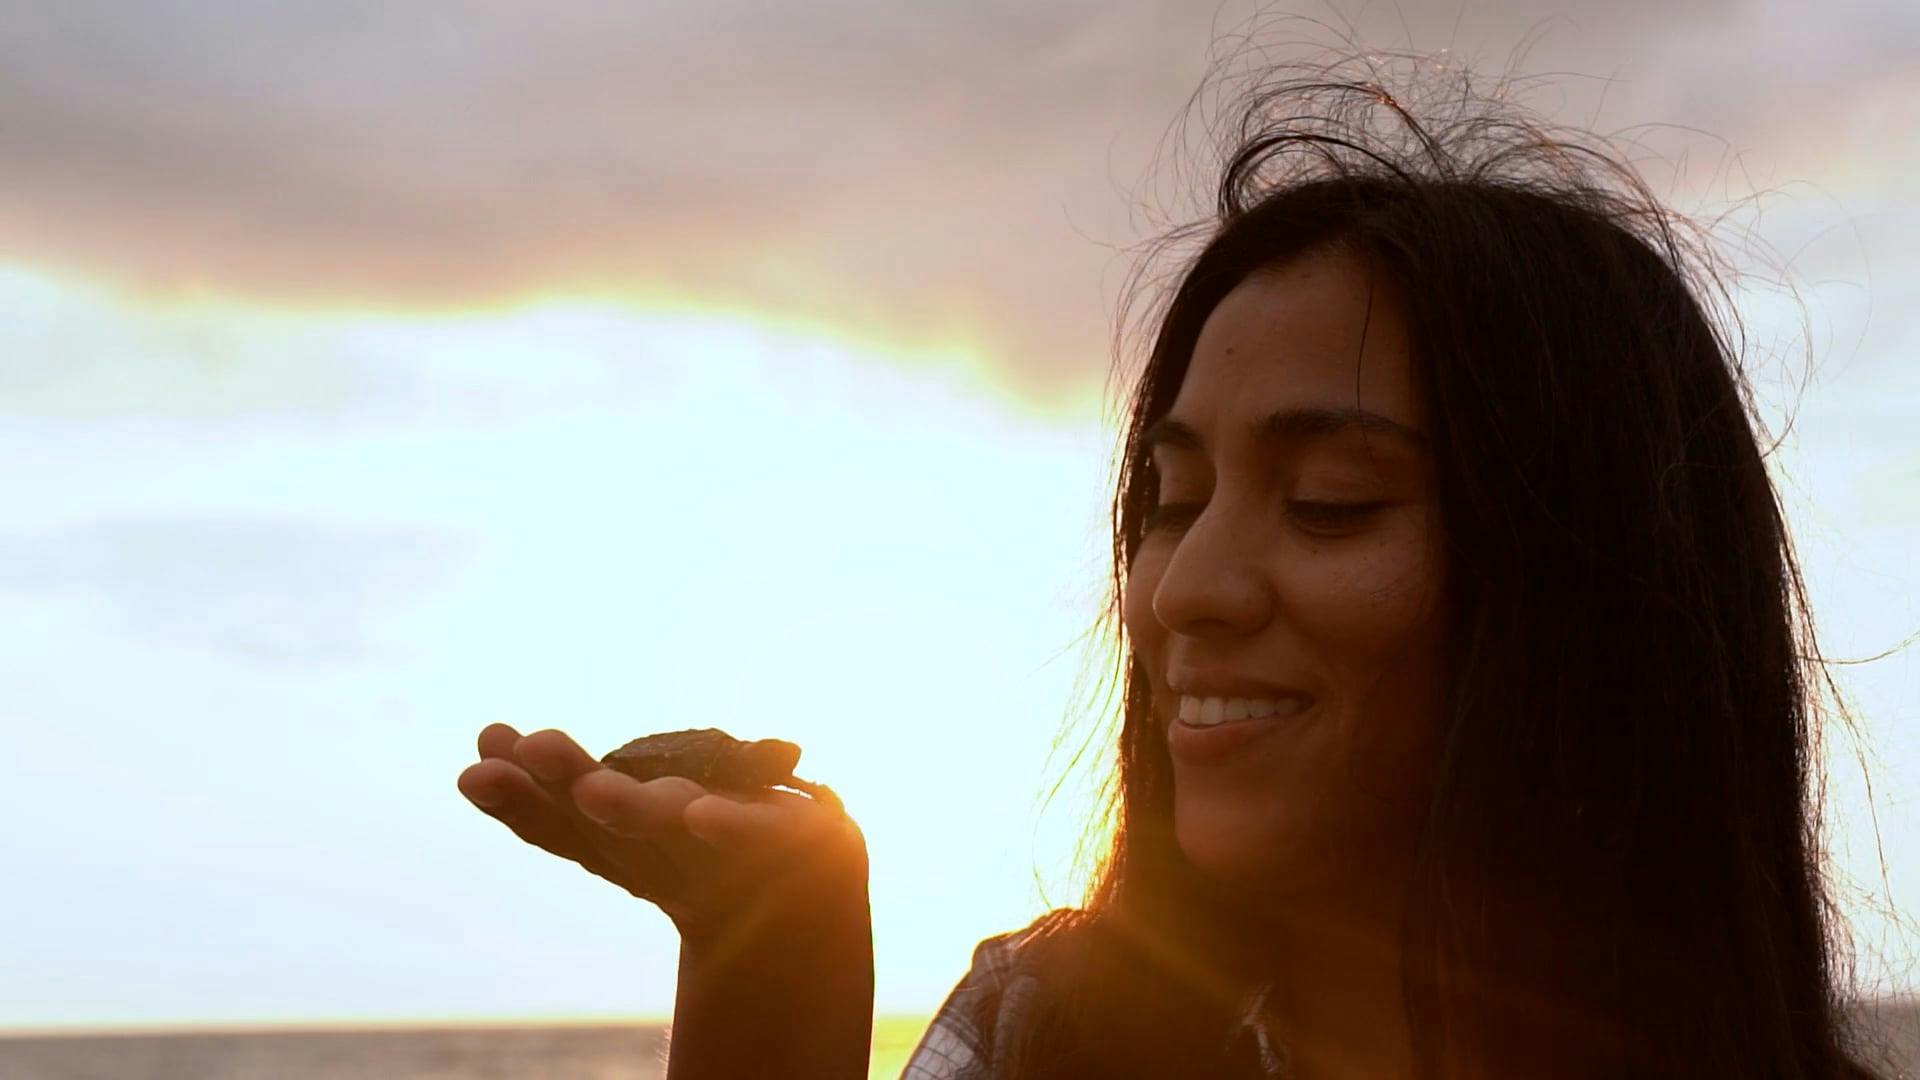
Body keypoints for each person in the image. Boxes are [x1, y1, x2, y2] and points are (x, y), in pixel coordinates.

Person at [457, 44, 1903, 1080]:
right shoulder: (1043, 1038)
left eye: (1332, 502)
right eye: (1167, 501)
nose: (1186, 591)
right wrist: (773, 963)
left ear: (1593, 594)